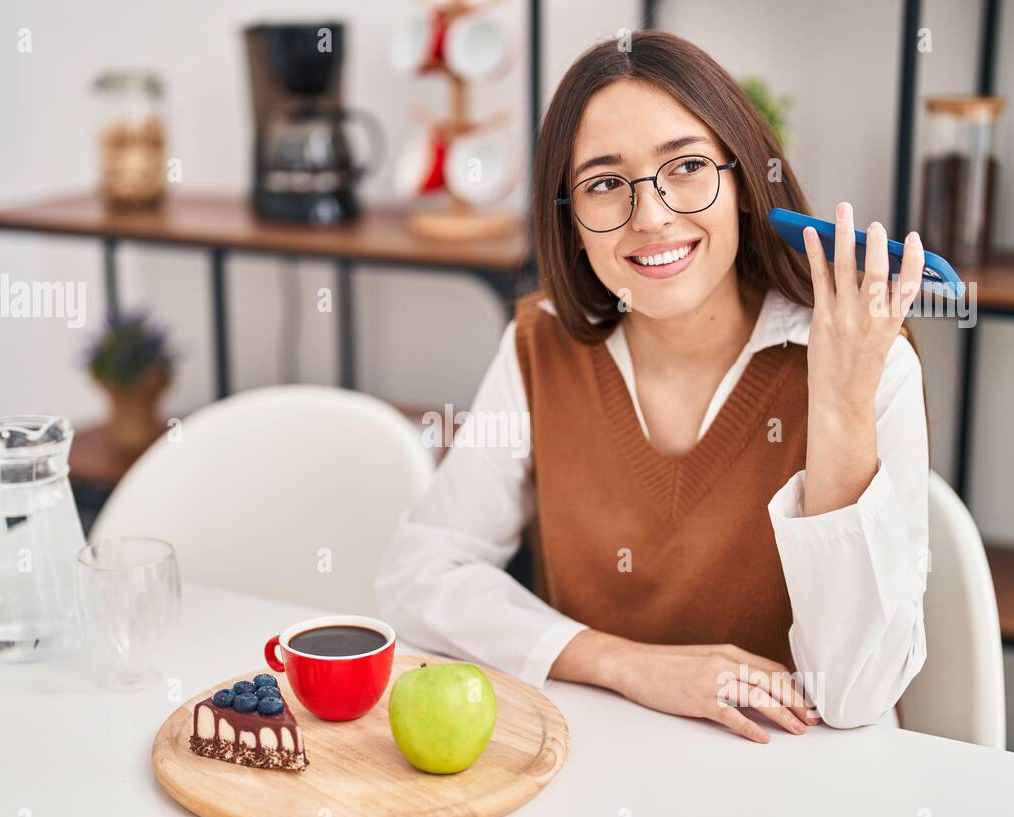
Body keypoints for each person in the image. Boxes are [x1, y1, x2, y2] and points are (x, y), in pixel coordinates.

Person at [376, 31, 929, 743]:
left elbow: (856, 692)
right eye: (605, 184)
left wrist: (841, 405)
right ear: (570, 222)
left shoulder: (869, 362)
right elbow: (418, 576)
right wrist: (626, 664)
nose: (653, 216)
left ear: (744, 184)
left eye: (688, 167)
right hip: (604, 759)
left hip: (806, 778)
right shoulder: (540, 344)